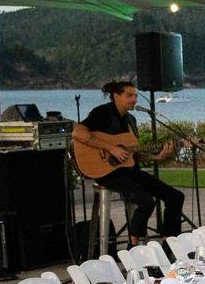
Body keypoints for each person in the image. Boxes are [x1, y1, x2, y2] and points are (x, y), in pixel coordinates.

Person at [74, 80, 181, 242]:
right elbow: (77, 133)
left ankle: (170, 242)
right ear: (116, 96)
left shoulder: (131, 120)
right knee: (146, 202)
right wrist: (111, 148)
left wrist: (156, 157)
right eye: (129, 95)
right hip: (108, 172)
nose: (134, 99)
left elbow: (132, 155)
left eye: (136, 96)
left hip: (130, 172)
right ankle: (134, 243)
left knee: (175, 197)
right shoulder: (102, 113)